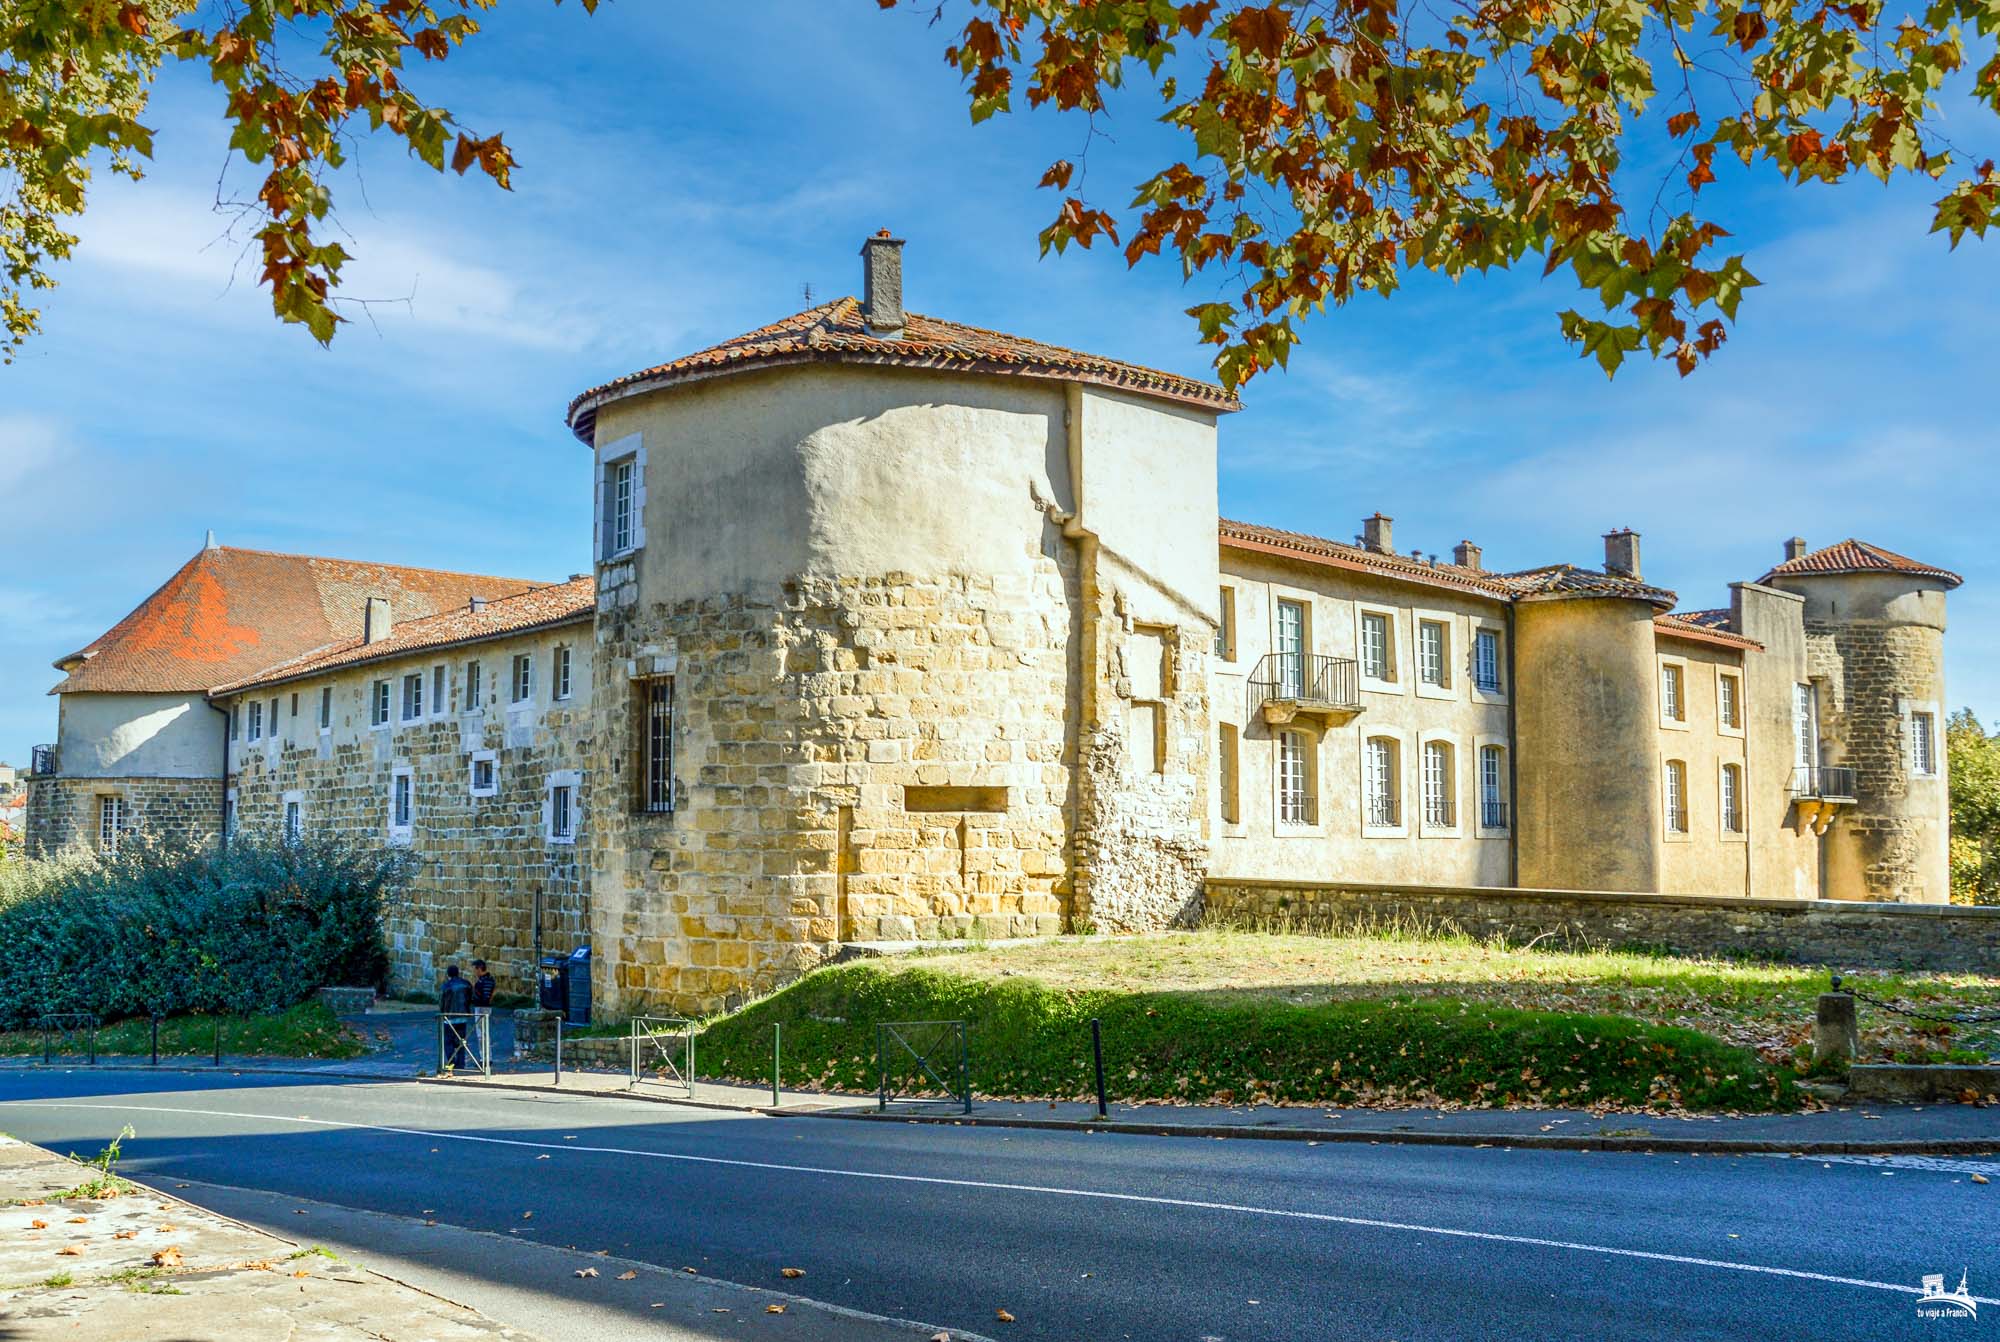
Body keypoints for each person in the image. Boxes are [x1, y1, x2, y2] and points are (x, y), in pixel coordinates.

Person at [439, 965, 473, 1069]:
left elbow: (441, 1002)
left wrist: (442, 1013)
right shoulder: (466, 984)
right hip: (462, 1016)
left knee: (448, 1042)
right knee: (461, 1041)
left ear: (448, 974)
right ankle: (461, 1064)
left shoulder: (446, 986)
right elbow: (470, 998)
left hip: (449, 1017)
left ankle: (451, 1063)